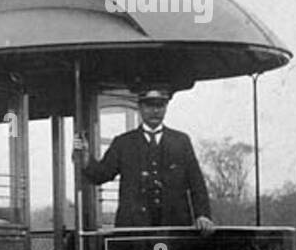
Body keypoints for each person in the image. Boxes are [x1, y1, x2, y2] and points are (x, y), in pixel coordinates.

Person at [75, 87, 216, 235]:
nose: (155, 111)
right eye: (149, 105)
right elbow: (101, 174)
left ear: (166, 107)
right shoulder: (123, 143)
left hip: (172, 229)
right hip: (134, 231)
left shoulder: (181, 142)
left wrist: (203, 215)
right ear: (140, 107)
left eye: (160, 105)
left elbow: (197, 183)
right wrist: (85, 158)